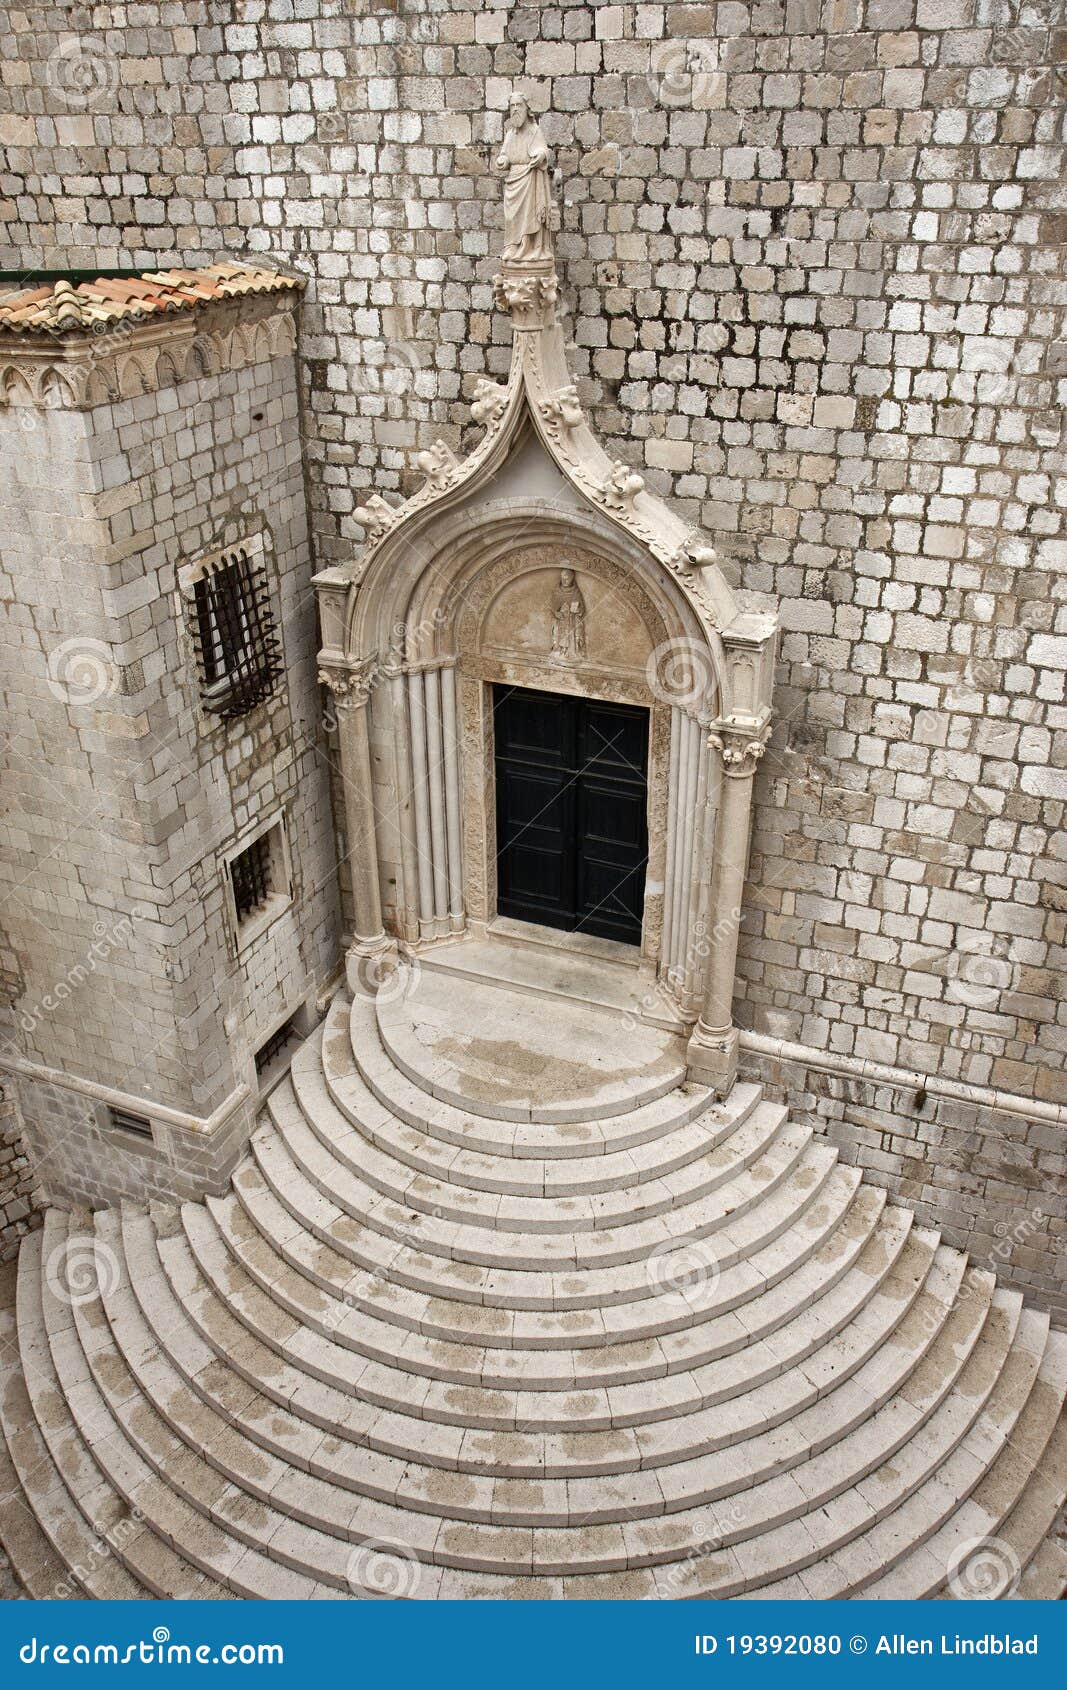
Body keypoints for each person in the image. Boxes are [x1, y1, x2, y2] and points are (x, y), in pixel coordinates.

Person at [494, 95, 552, 263]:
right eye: (512, 106)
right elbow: (504, 155)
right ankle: (513, 246)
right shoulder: (510, 134)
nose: (515, 109)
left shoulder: (535, 131)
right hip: (514, 180)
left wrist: (541, 156)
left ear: (527, 109)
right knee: (511, 217)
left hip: (530, 178)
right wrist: (502, 161)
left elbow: (545, 151)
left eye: (519, 105)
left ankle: (529, 246)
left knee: (530, 216)